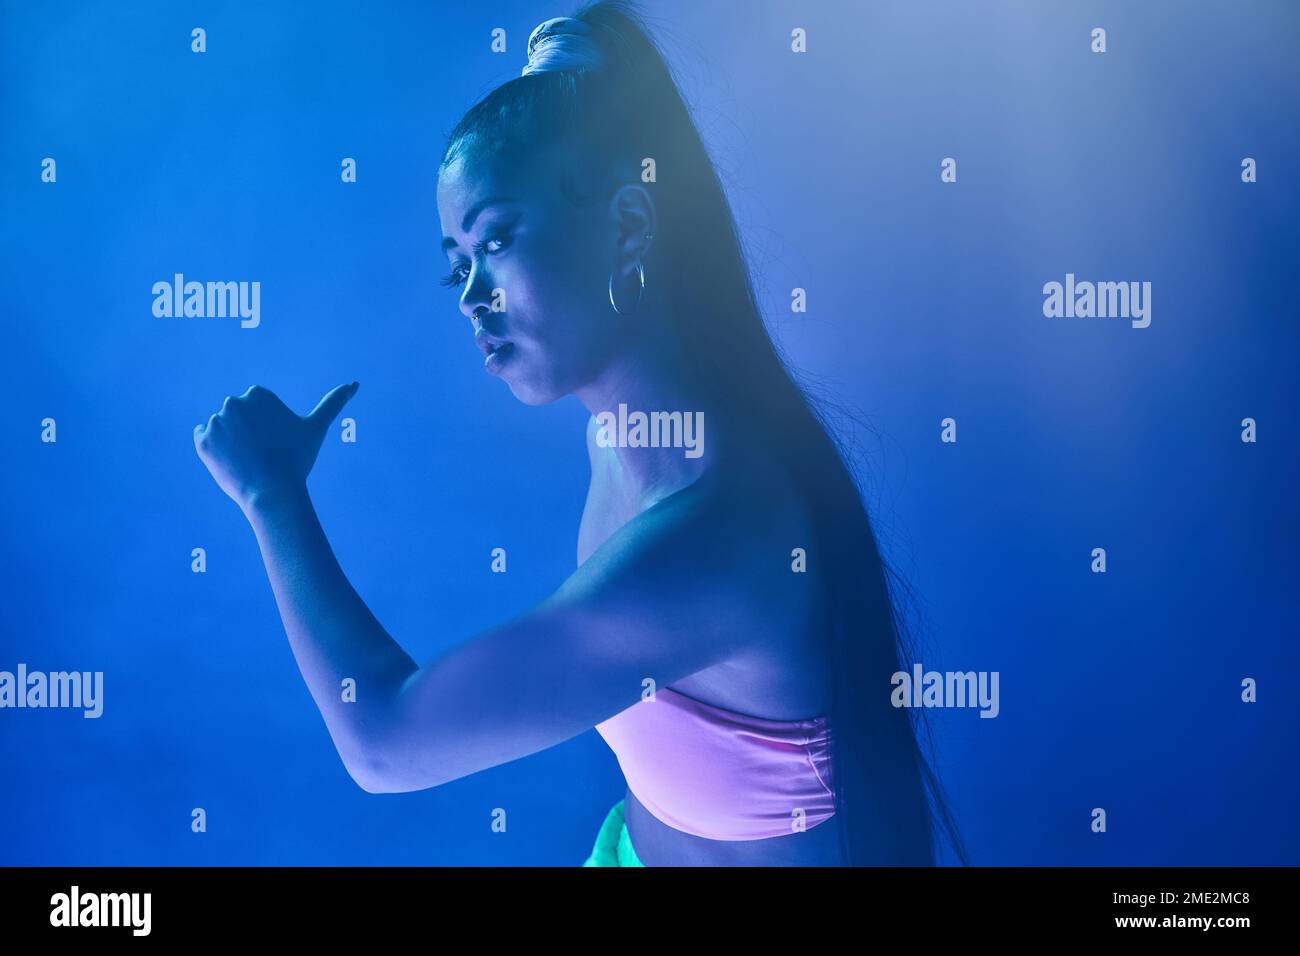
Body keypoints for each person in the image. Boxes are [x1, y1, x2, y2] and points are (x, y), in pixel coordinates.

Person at [193, 0, 965, 867]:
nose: (471, 296)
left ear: (630, 225)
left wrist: (272, 495)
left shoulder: (713, 537)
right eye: (457, 265)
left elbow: (384, 745)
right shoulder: (628, 439)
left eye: (498, 241)